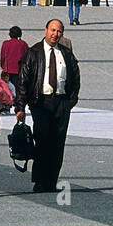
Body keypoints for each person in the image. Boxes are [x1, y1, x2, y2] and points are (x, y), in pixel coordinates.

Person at [15, 19, 80, 193]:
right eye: (52, 30)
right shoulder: (33, 52)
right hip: (41, 102)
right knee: (43, 140)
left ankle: (51, 180)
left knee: (58, 143)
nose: (55, 34)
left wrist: (70, 102)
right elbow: (23, 81)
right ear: (45, 30)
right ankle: (39, 180)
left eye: (59, 31)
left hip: (61, 102)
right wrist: (20, 107)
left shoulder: (66, 53)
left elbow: (75, 78)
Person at [0, 25, 28, 100]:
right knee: (17, 87)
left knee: (7, 87)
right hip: (19, 69)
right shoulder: (22, 44)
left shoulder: (5, 43)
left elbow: (2, 56)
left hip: (8, 69)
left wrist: (2, 66)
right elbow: (27, 56)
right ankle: (17, 102)